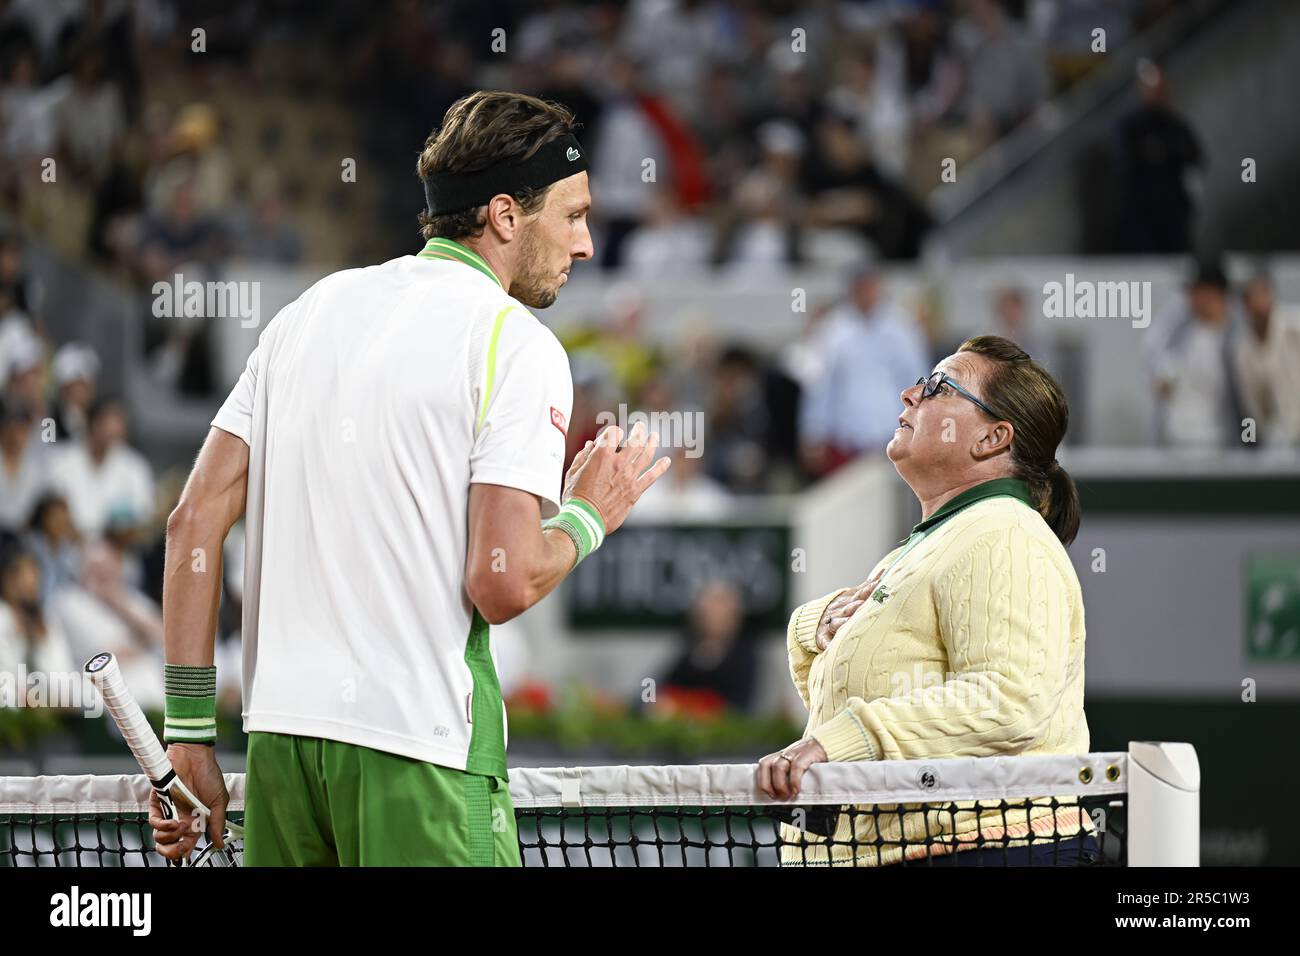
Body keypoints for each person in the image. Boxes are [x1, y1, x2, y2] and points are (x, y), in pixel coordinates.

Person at [149, 91, 670, 868]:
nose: (587, 243)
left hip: (283, 751)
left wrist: (188, 737)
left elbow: (192, 523)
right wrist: (587, 516)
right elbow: (502, 582)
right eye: (572, 216)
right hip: (418, 754)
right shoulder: (515, 344)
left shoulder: (308, 311)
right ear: (503, 215)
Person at [759, 335, 1093, 867]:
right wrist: (814, 629)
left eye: (939, 386)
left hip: (985, 853)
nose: (909, 394)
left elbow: (1008, 703)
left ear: (991, 438)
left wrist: (840, 742)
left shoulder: (1004, 534)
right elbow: (854, 696)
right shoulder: (927, 547)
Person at [1234, 272, 1300, 448]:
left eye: (1264, 295)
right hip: (1279, 439)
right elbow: (1253, 405)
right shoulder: (1244, 352)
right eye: (1254, 298)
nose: (1260, 303)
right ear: (1245, 305)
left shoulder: (1295, 328)